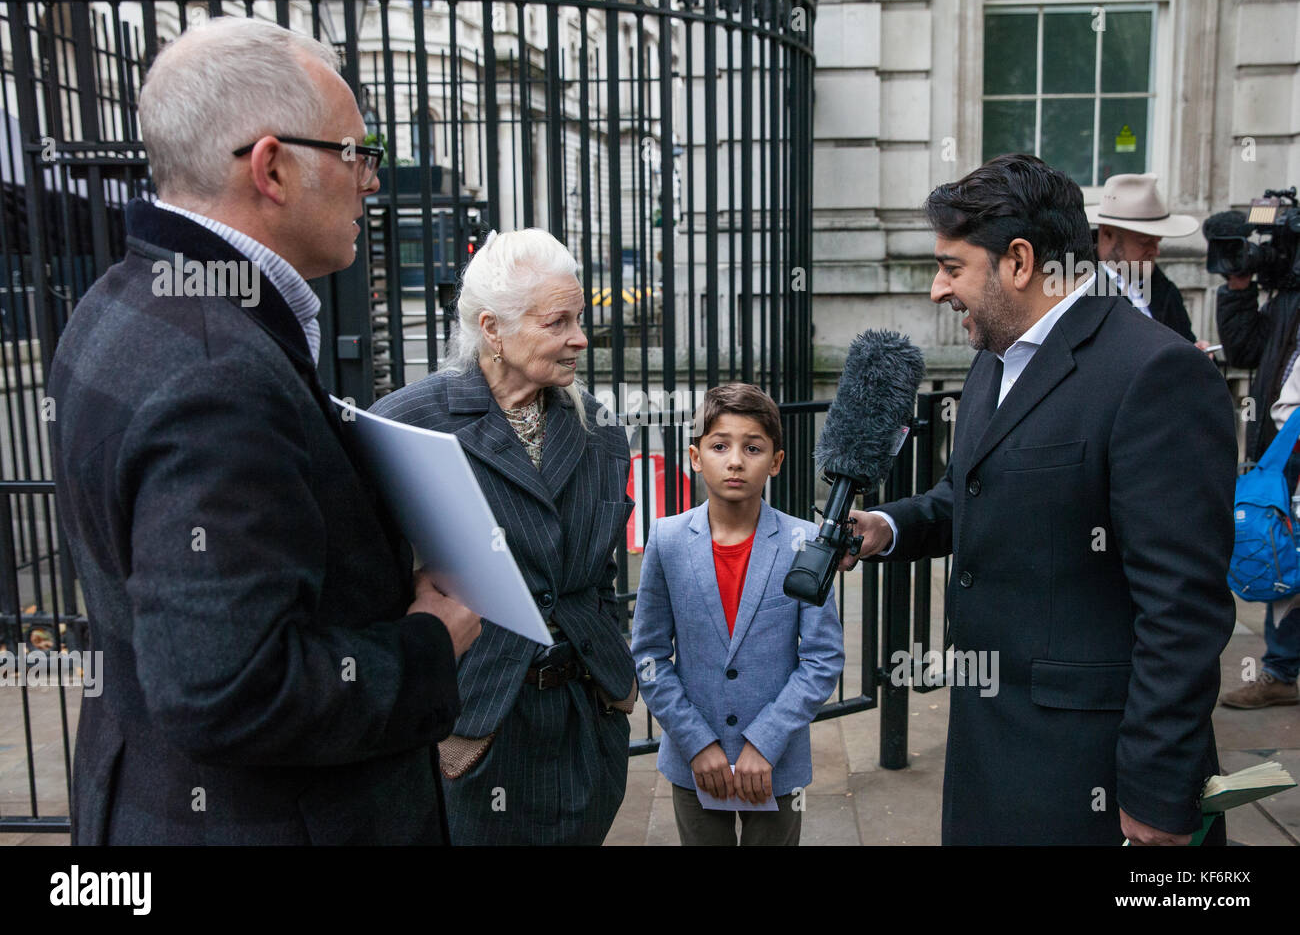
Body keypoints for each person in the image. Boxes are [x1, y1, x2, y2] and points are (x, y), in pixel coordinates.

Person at [47, 18, 479, 845]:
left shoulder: (120, 298)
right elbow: (233, 686)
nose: (371, 181)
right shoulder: (219, 373)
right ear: (272, 167)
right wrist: (430, 641)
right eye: (357, 152)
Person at [840, 154, 1237, 845]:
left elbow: (1182, 612)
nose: (938, 290)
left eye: (950, 266)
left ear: (1018, 262)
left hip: (1089, 775)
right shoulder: (997, 352)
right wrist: (885, 525)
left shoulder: (1157, 374)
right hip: (989, 752)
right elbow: (980, 493)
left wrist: (1156, 791)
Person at [369, 227, 637, 845]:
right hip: (475, 722)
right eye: (557, 322)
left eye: (580, 317)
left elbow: (601, 575)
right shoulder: (410, 423)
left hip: (585, 716)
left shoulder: (597, 426)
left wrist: (611, 689)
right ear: (492, 329)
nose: (579, 338)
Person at [631, 384, 843, 846]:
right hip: (694, 762)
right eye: (720, 446)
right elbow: (648, 654)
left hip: (776, 762)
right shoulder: (666, 541)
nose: (734, 461)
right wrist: (697, 742)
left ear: (776, 461)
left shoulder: (805, 543)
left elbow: (823, 658)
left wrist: (766, 739)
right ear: (694, 455)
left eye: (752, 448)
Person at [1217, 248, 1300, 710]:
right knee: (1288, 564)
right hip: (1288, 467)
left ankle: (1280, 670)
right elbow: (1245, 349)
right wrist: (1239, 288)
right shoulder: (1285, 297)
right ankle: (1280, 671)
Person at [1086, 172, 1208, 348]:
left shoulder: (1164, 290)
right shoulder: (1076, 290)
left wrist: (1196, 354)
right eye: (1144, 242)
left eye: (1158, 241)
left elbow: (1183, 340)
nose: (1156, 251)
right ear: (1107, 234)